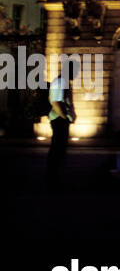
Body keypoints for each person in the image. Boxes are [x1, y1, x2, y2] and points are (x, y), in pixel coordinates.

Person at [46, 61, 76, 189]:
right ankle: (53, 177)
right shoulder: (60, 82)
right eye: (75, 71)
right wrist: (66, 117)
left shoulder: (63, 82)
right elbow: (56, 102)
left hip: (60, 119)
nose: (76, 74)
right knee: (57, 148)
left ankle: (54, 175)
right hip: (59, 120)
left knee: (58, 148)